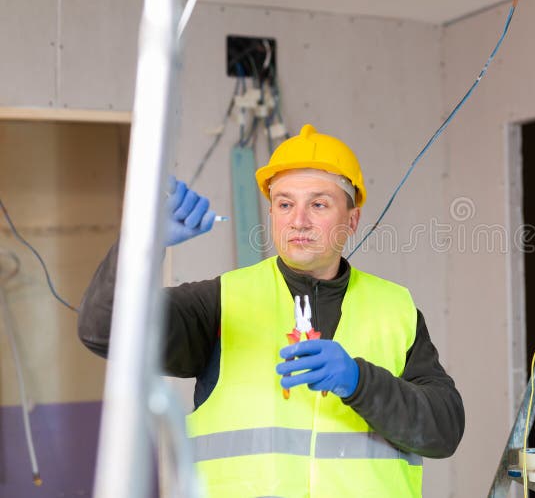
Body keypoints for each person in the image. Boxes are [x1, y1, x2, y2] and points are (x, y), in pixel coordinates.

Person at [78, 124, 464, 497]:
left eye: (318, 204)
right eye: (284, 204)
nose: (299, 220)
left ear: (351, 219)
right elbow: (105, 329)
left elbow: (444, 430)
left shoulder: (394, 309)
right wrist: (141, 244)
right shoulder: (220, 303)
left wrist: (359, 381)